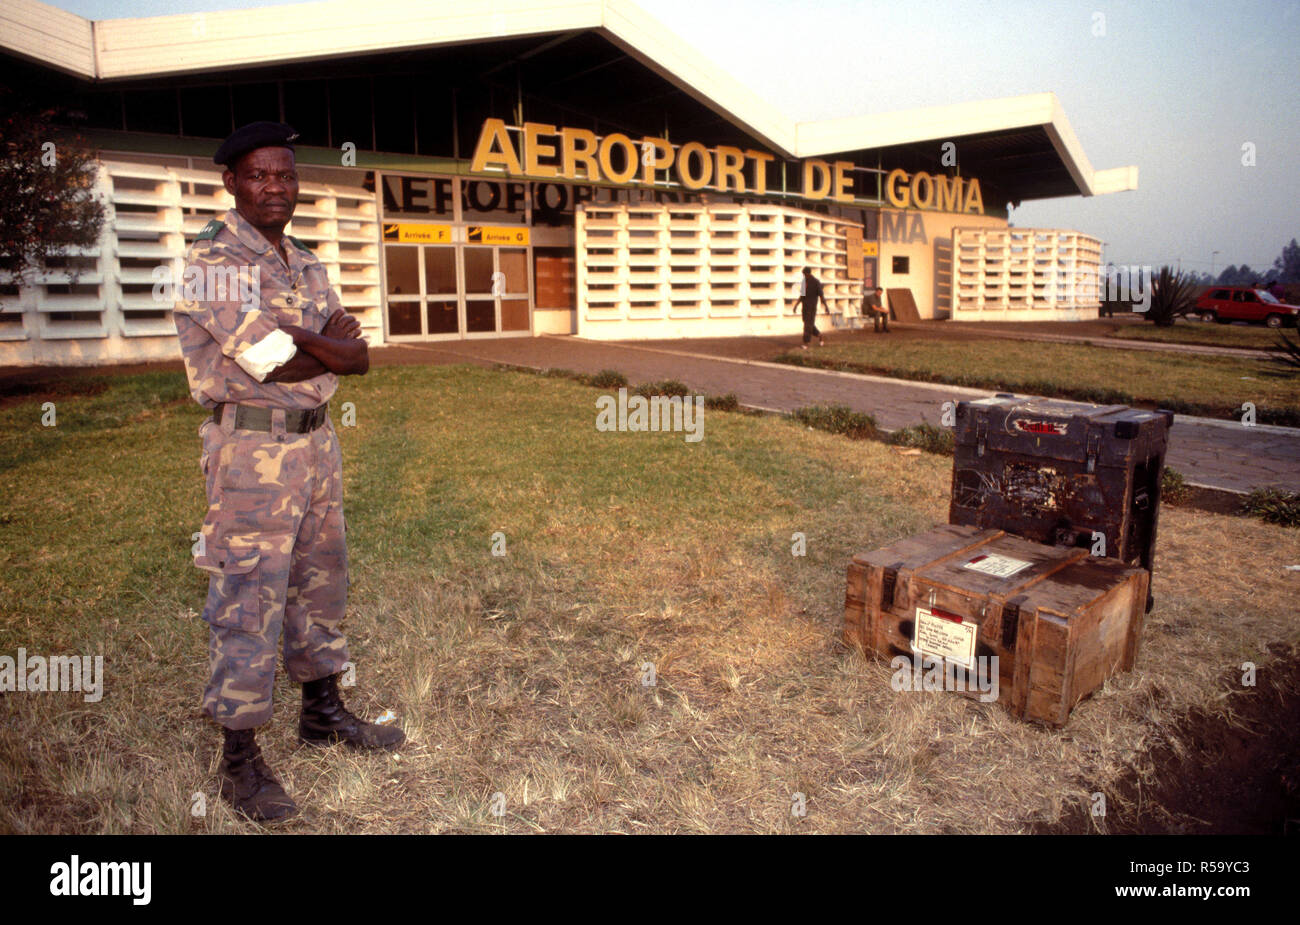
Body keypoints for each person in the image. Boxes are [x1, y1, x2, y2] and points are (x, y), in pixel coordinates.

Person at [173, 121, 403, 823]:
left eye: (286, 174)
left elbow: (357, 358)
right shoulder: (212, 261)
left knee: (320, 578)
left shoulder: (305, 261)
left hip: (316, 444)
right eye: (259, 175)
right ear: (231, 183)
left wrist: (303, 342)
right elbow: (268, 362)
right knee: (248, 595)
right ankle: (238, 760)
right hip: (250, 453)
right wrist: (316, 343)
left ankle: (322, 712)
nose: (275, 186)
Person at [791, 267, 829, 348]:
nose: (804, 276)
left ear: (808, 273)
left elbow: (821, 295)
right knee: (808, 324)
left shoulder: (816, 282)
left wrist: (826, 307)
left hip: (812, 308)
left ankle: (806, 343)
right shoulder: (804, 282)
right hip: (805, 307)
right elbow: (802, 296)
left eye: (804, 274)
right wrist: (796, 305)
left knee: (807, 325)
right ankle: (819, 335)